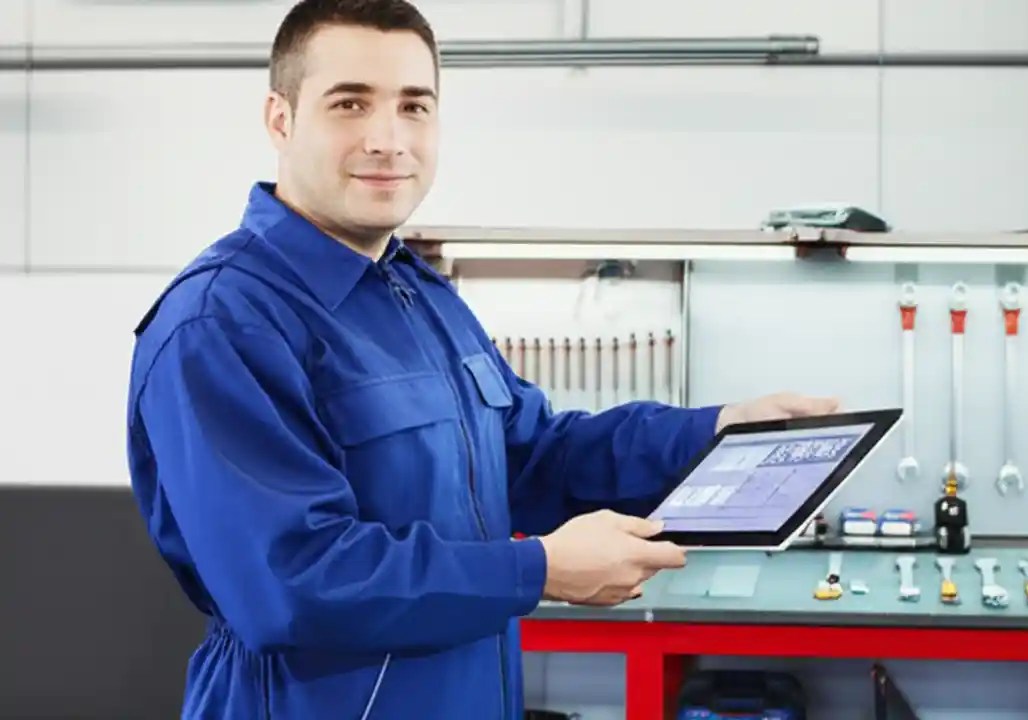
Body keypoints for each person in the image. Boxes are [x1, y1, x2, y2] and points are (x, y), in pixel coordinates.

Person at [124, 1, 839, 718]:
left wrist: (717, 432)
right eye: (349, 104)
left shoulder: (418, 294)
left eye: (414, 106)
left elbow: (531, 456)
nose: (387, 139)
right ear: (280, 120)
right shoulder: (221, 320)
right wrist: (540, 570)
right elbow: (292, 580)